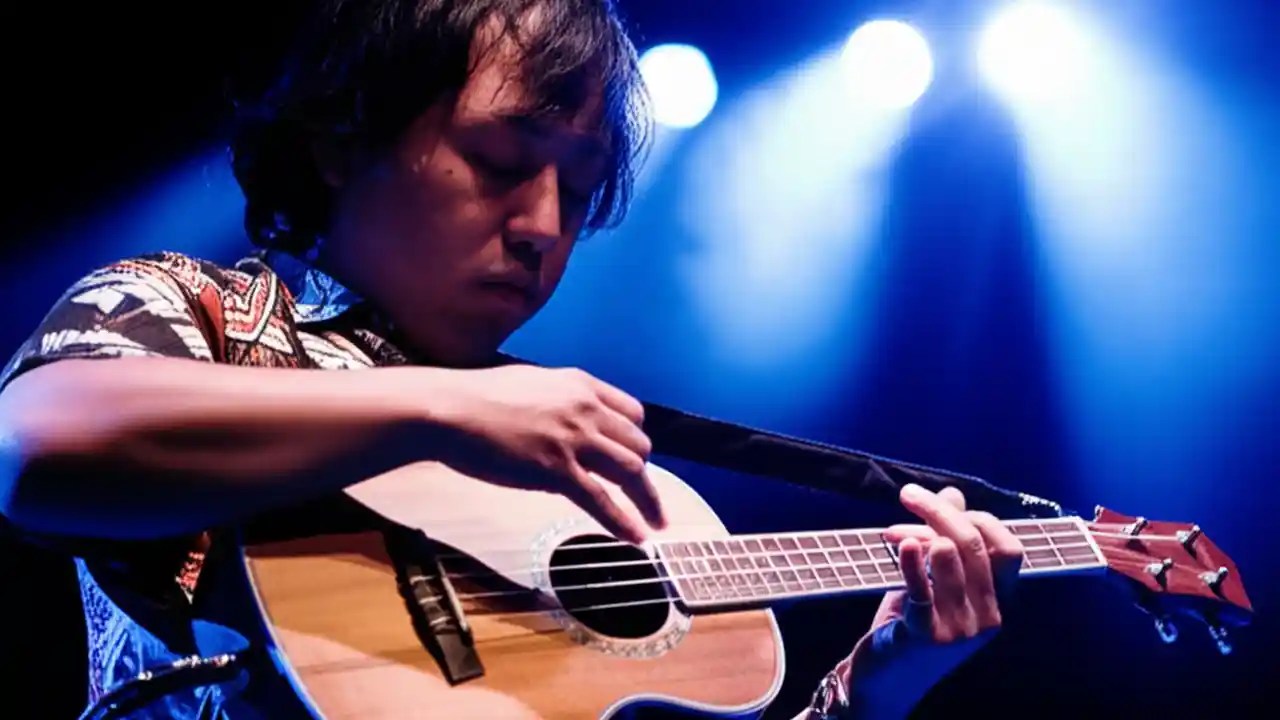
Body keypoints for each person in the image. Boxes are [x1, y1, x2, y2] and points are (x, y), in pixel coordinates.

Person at [0, 1, 1025, 718]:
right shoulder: (203, 313)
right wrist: (442, 409)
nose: (542, 225)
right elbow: (38, 445)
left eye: (576, 192)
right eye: (497, 162)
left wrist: (881, 683)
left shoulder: (568, 479)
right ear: (340, 143)